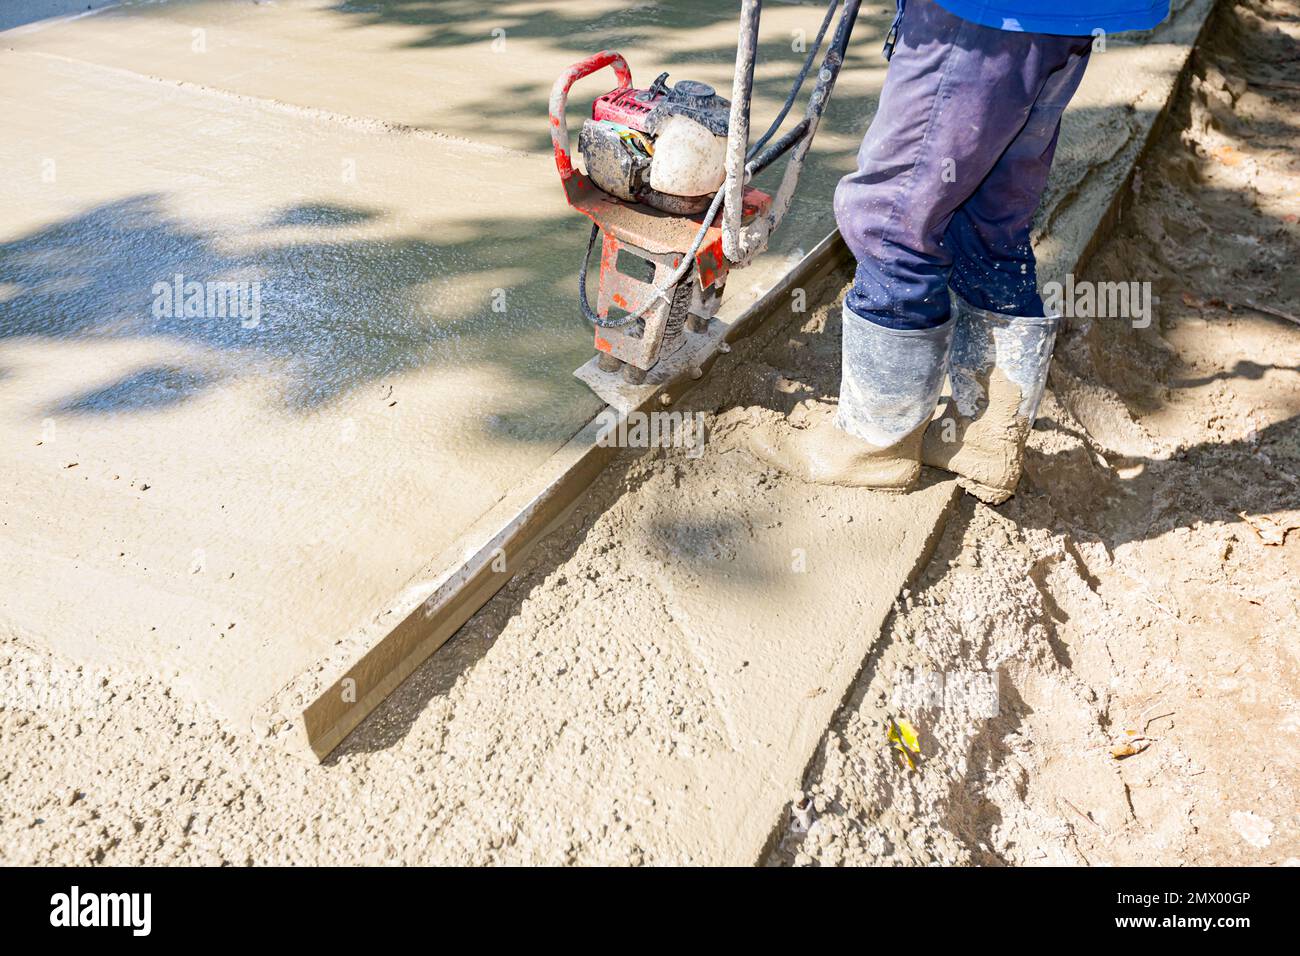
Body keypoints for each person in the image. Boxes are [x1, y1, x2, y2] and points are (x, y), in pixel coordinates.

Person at [752, 0, 1170, 503]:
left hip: (984, 13)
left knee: (893, 214)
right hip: (1057, 15)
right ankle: (983, 437)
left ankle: (873, 444)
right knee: (991, 214)